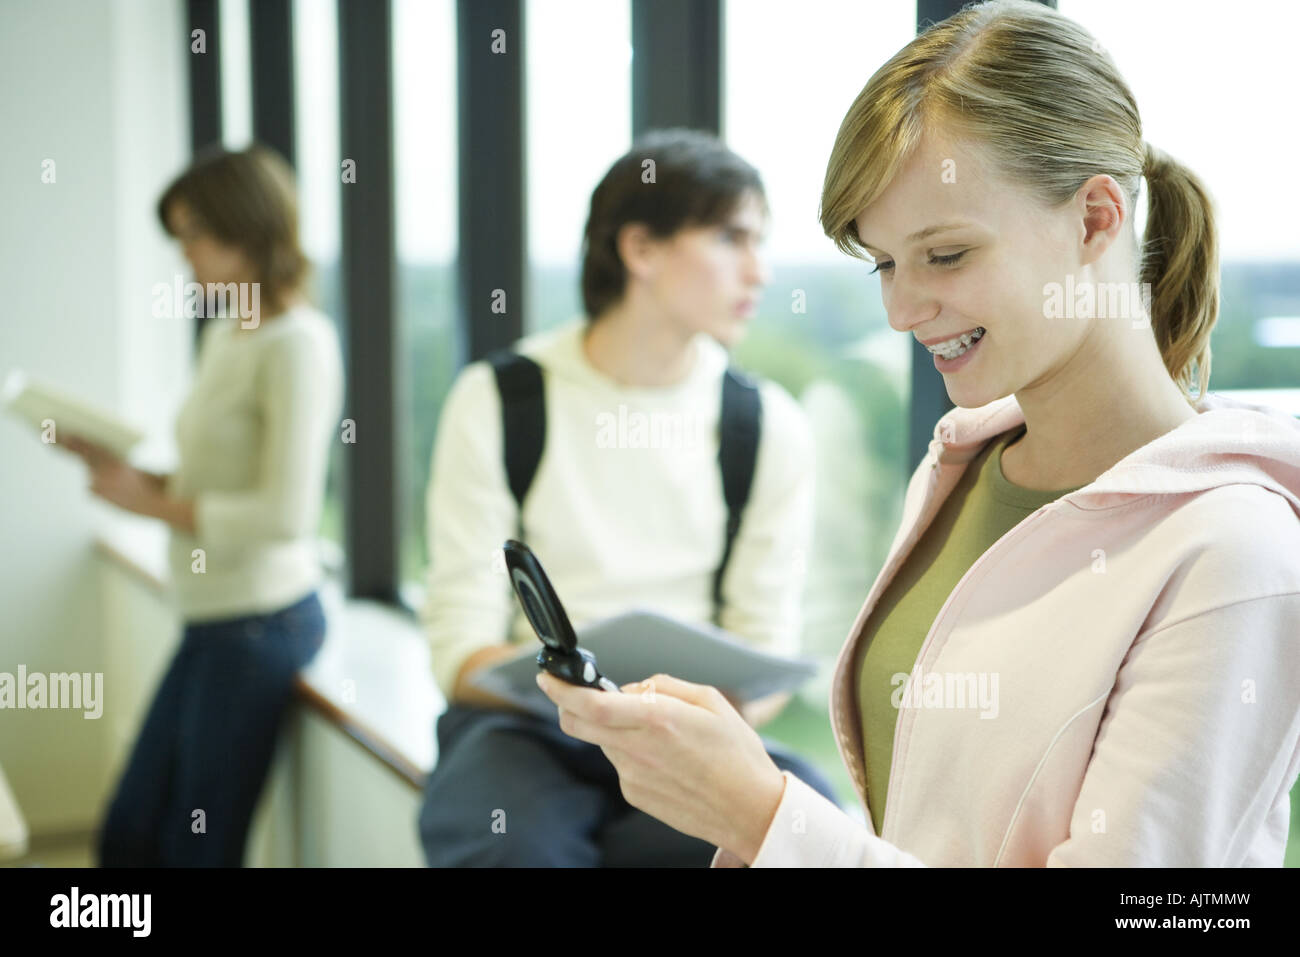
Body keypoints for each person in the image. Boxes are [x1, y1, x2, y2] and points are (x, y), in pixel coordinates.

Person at [537, 0, 1300, 867]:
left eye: (945, 256)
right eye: (885, 263)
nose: (902, 310)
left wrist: (765, 817)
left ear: (1095, 218)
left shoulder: (1238, 556)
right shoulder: (962, 469)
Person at [417, 128, 841, 867]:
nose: (760, 271)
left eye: (761, 243)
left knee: (808, 829)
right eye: (731, 238)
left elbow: (763, 653)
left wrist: (656, 713)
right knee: (514, 844)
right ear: (640, 249)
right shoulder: (500, 399)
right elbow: (459, 650)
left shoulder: (766, 424)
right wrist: (584, 698)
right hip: (523, 730)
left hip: (689, 733)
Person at [66, 144, 343, 867]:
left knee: (194, 848)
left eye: (194, 234)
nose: (184, 254)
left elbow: (285, 516)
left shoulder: (298, 346)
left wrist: (151, 507)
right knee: (128, 833)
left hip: (260, 621)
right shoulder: (226, 334)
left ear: (246, 229)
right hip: (210, 618)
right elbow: (209, 481)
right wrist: (125, 471)